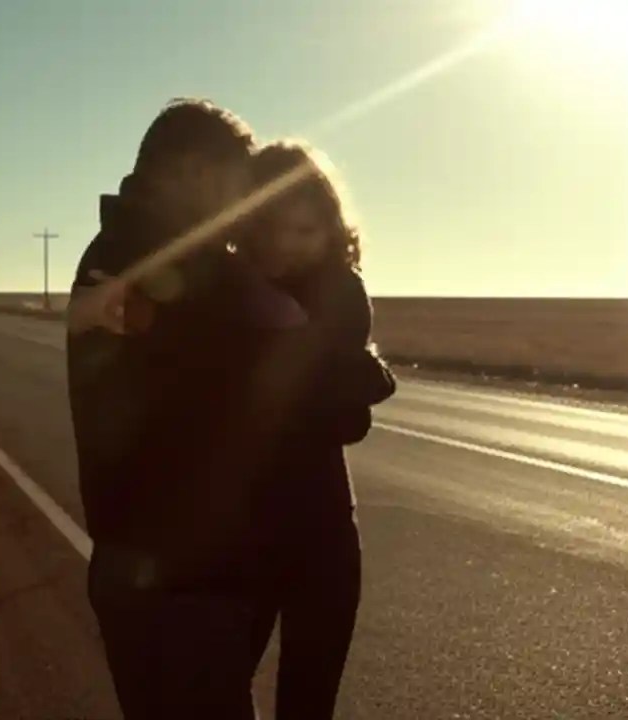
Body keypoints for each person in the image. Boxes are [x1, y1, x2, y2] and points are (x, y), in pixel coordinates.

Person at [66, 98, 305, 720]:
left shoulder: (121, 252)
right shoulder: (159, 262)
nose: (240, 202)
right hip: (181, 583)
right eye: (232, 182)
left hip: (151, 571)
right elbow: (284, 352)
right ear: (191, 172)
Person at [238, 139, 397, 720]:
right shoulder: (226, 293)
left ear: (330, 230)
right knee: (216, 693)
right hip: (239, 532)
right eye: (273, 229)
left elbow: (340, 413)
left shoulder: (343, 291)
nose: (288, 245)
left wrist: (359, 378)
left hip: (322, 529)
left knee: (309, 704)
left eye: (305, 231)